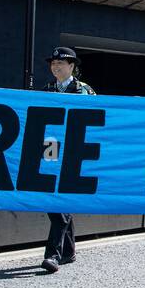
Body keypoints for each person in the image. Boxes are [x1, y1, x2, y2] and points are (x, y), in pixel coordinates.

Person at [40, 47, 96, 274]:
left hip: (74, 150)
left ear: (72, 66)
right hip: (50, 149)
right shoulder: (45, 90)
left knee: (60, 200)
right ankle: (69, 251)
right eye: (53, 63)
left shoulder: (84, 91)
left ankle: (52, 254)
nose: (55, 66)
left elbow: (94, 120)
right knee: (52, 198)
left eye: (61, 63)